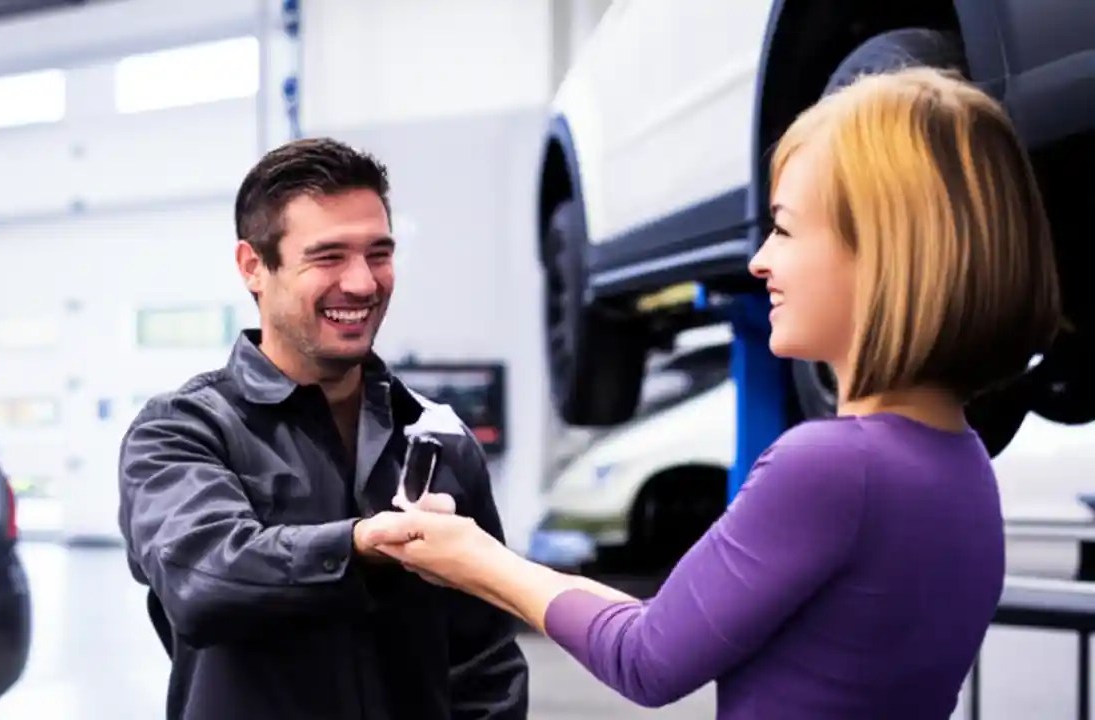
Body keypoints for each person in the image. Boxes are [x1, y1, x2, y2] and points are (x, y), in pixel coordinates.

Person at [358, 67, 1062, 718]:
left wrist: (473, 558)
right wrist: (474, 555)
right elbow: (664, 629)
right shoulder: (957, 463)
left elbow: (645, 661)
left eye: (784, 229)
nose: (761, 261)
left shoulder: (834, 467)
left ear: (881, 256)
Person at [117, 137, 529, 720]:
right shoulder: (183, 430)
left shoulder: (436, 439)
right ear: (254, 267)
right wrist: (363, 545)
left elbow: (484, 661)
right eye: (329, 256)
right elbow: (204, 581)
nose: (362, 283)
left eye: (378, 253)